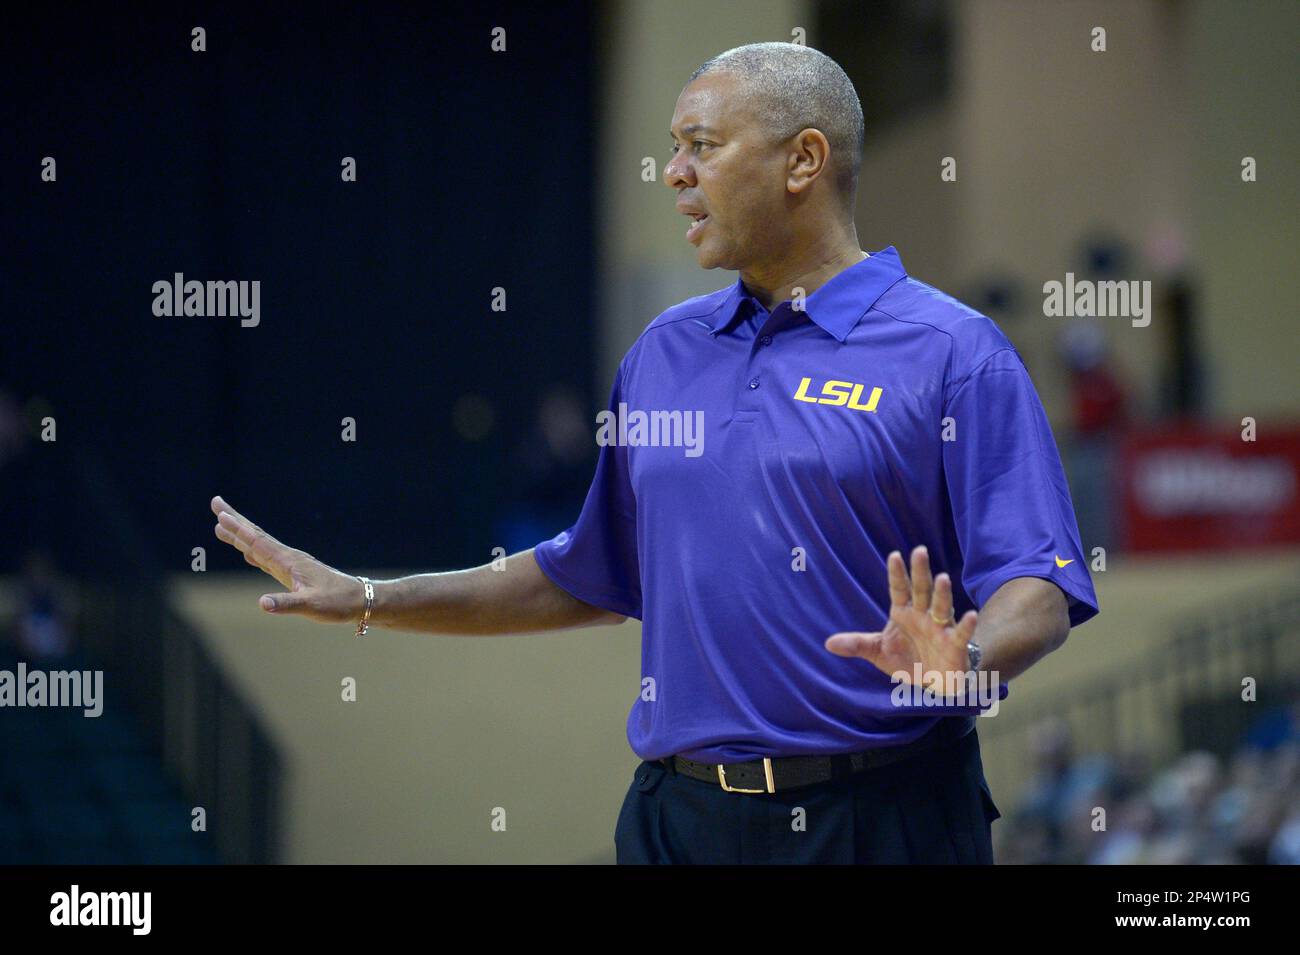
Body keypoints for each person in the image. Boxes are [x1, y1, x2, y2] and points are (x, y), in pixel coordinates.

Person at [210, 42, 1099, 864]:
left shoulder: (954, 351)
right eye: (674, 147)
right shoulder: (664, 355)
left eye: (702, 146)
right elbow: (583, 574)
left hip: (882, 818)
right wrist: (367, 594)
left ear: (803, 161)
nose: (674, 173)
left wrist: (967, 667)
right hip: (678, 822)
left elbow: (1039, 585)